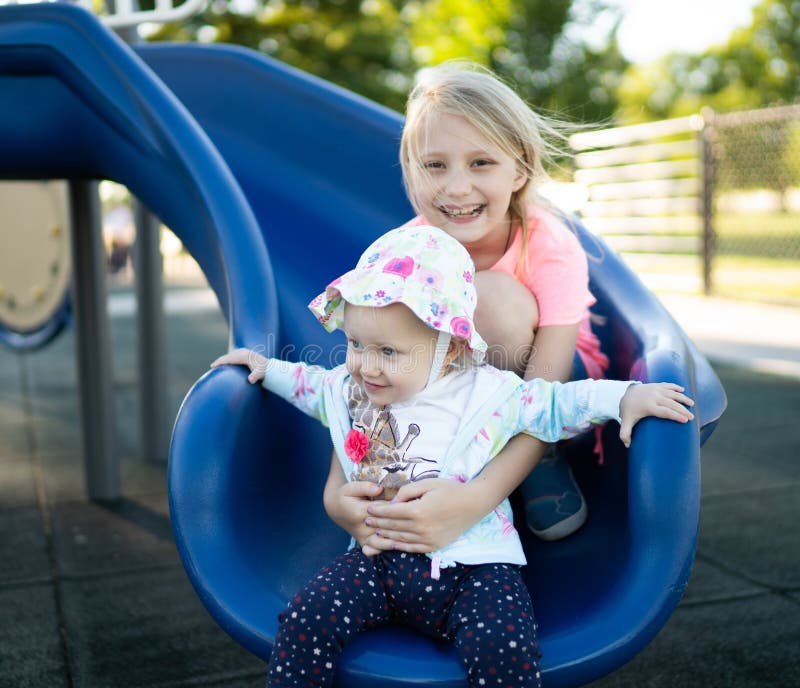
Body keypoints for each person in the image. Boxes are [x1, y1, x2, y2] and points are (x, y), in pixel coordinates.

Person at [211, 225, 695, 688]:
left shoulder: (486, 394)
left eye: (388, 351)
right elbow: (308, 385)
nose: (365, 365)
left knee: (504, 646)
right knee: (303, 620)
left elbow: (556, 403)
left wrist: (625, 397)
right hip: (376, 561)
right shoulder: (349, 387)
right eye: (355, 343)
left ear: (447, 350)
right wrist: (263, 367)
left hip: (474, 569)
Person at [326, 60, 607, 552]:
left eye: (481, 163)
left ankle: (538, 464)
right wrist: (337, 493)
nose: (457, 188)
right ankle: (440, 459)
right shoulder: (401, 254)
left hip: (551, 392)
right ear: (411, 170)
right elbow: (366, 372)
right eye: (435, 165)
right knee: (397, 336)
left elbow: (545, 387)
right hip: (450, 402)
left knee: (487, 297)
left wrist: (479, 498)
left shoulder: (545, 243)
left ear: (519, 168)